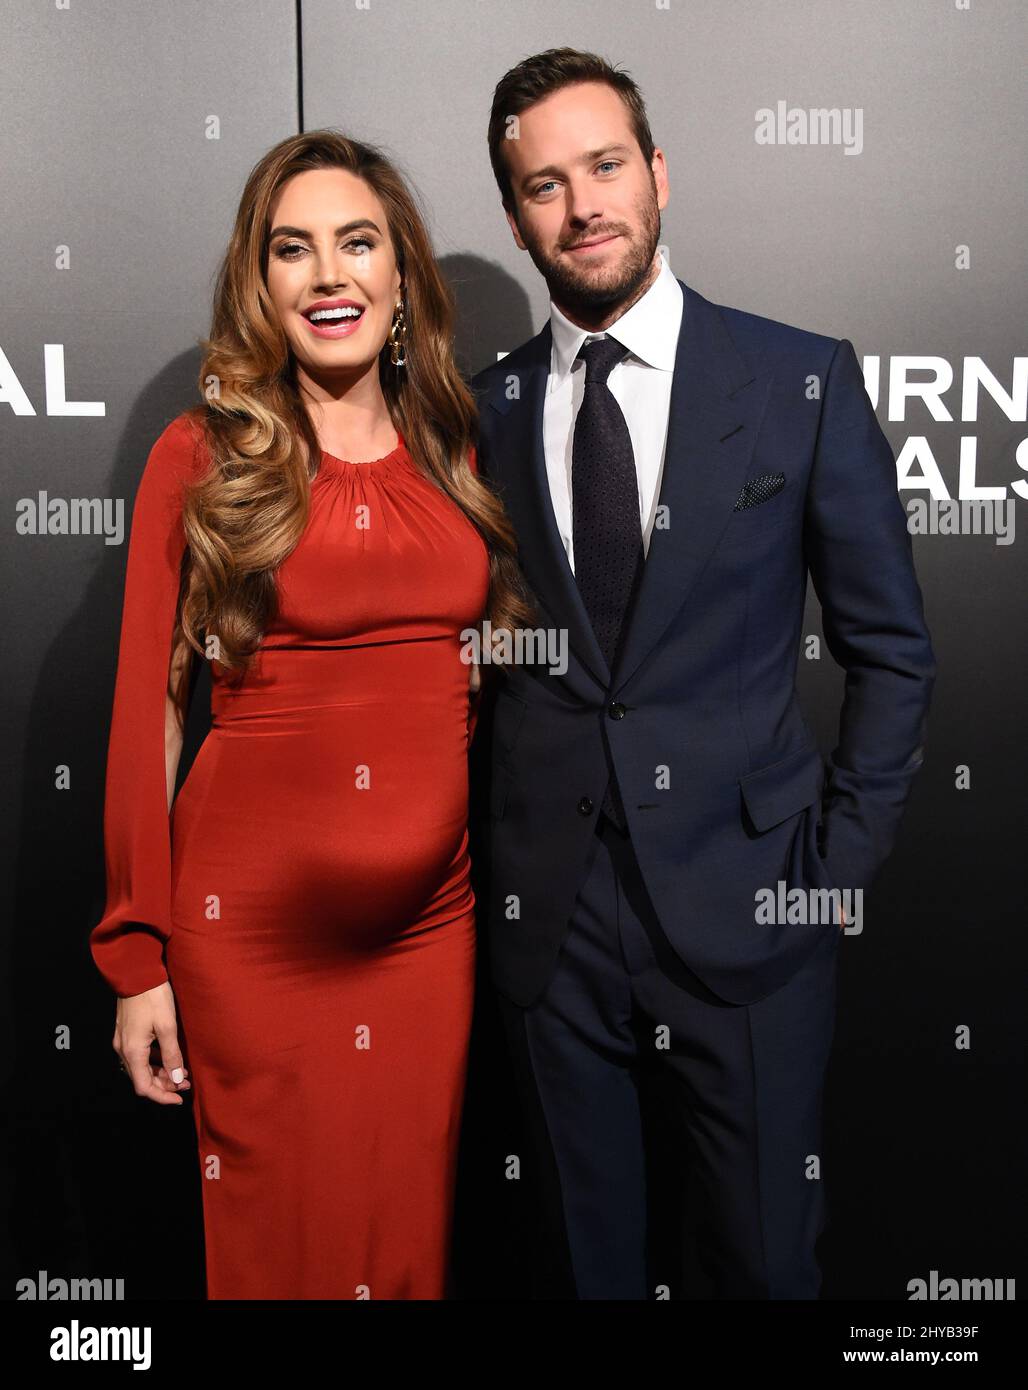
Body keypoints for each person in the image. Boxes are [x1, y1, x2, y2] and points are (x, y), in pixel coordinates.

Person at [471, 49, 936, 1298]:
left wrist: (832, 871)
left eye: (607, 165)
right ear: (514, 216)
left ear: (659, 173)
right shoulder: (480, 412)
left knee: (763, 1266)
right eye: (544, 184)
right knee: (580, 1268)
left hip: (752, 909)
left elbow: (890, 651)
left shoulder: (799, 380)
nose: (584, 206)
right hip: (550, 928)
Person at [91, 130, 532, 1299]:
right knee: (279, 1256)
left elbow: (459, 660)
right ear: (259, 281)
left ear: (399, 281)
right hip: (256, 941)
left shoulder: (455, 448)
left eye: (355, 244)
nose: (326, 275)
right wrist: (142, 959)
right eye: (292, 250)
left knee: (402, 1252)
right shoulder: (202, 458)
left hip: (428, 933)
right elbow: (151, 712)